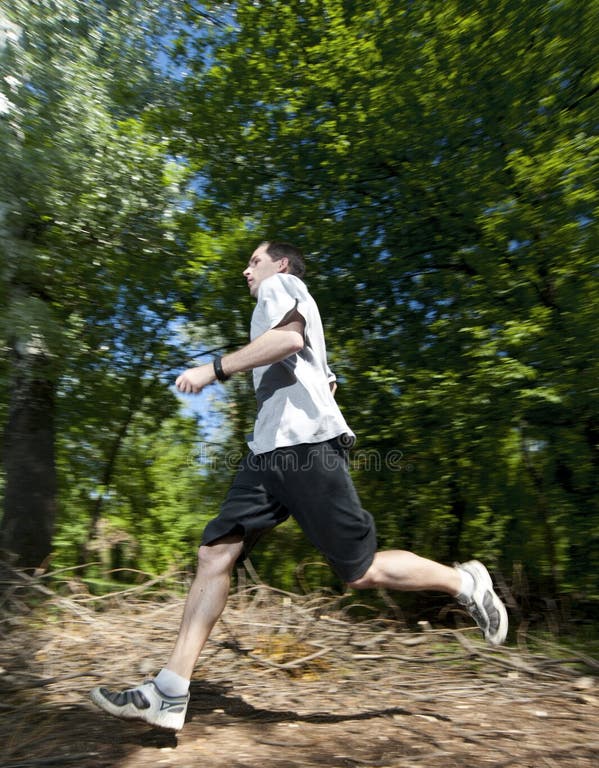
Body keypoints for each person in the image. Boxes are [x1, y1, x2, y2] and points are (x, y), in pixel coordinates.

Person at [91, 240, 508, 732]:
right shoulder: (293, 302)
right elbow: (326, 382)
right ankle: (169, 691)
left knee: (359, 572)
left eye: (254, 260)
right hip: (269, 452)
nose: (246, 271)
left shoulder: (282, 286)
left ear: (280, 263)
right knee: (215, 553)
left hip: (301, 447)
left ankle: (465, 581)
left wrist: (214, 369)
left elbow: (288, 340)